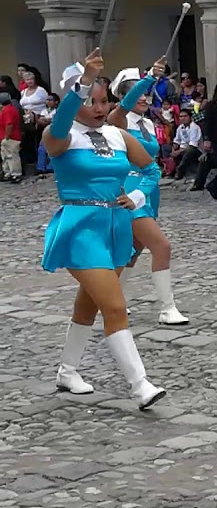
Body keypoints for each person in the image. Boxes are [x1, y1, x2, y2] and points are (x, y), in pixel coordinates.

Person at [43, 50, 166, 409]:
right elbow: (64, 120)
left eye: (104, 101)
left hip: (115, 229)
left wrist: (138, 195)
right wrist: (81, 84)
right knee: (115, 306)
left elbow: (152, 171)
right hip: (80, 228)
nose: (99, 108)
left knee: (89, 306)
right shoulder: (59, 137)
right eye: (90, 101)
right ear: (73, 100)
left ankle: (67, 370)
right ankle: (140, 384)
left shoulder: (117, 136)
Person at [108, 61, 189, 326]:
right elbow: (123, 106)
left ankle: (109, 299)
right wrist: (149, 78)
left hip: (150, 190)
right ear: (123, 96)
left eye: (145, 92)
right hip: (130, 191)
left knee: (133, 249)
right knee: (161, 246)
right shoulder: (117, 120)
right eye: (137, 92)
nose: (143, 96)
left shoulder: (145, 122)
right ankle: (167, 308)